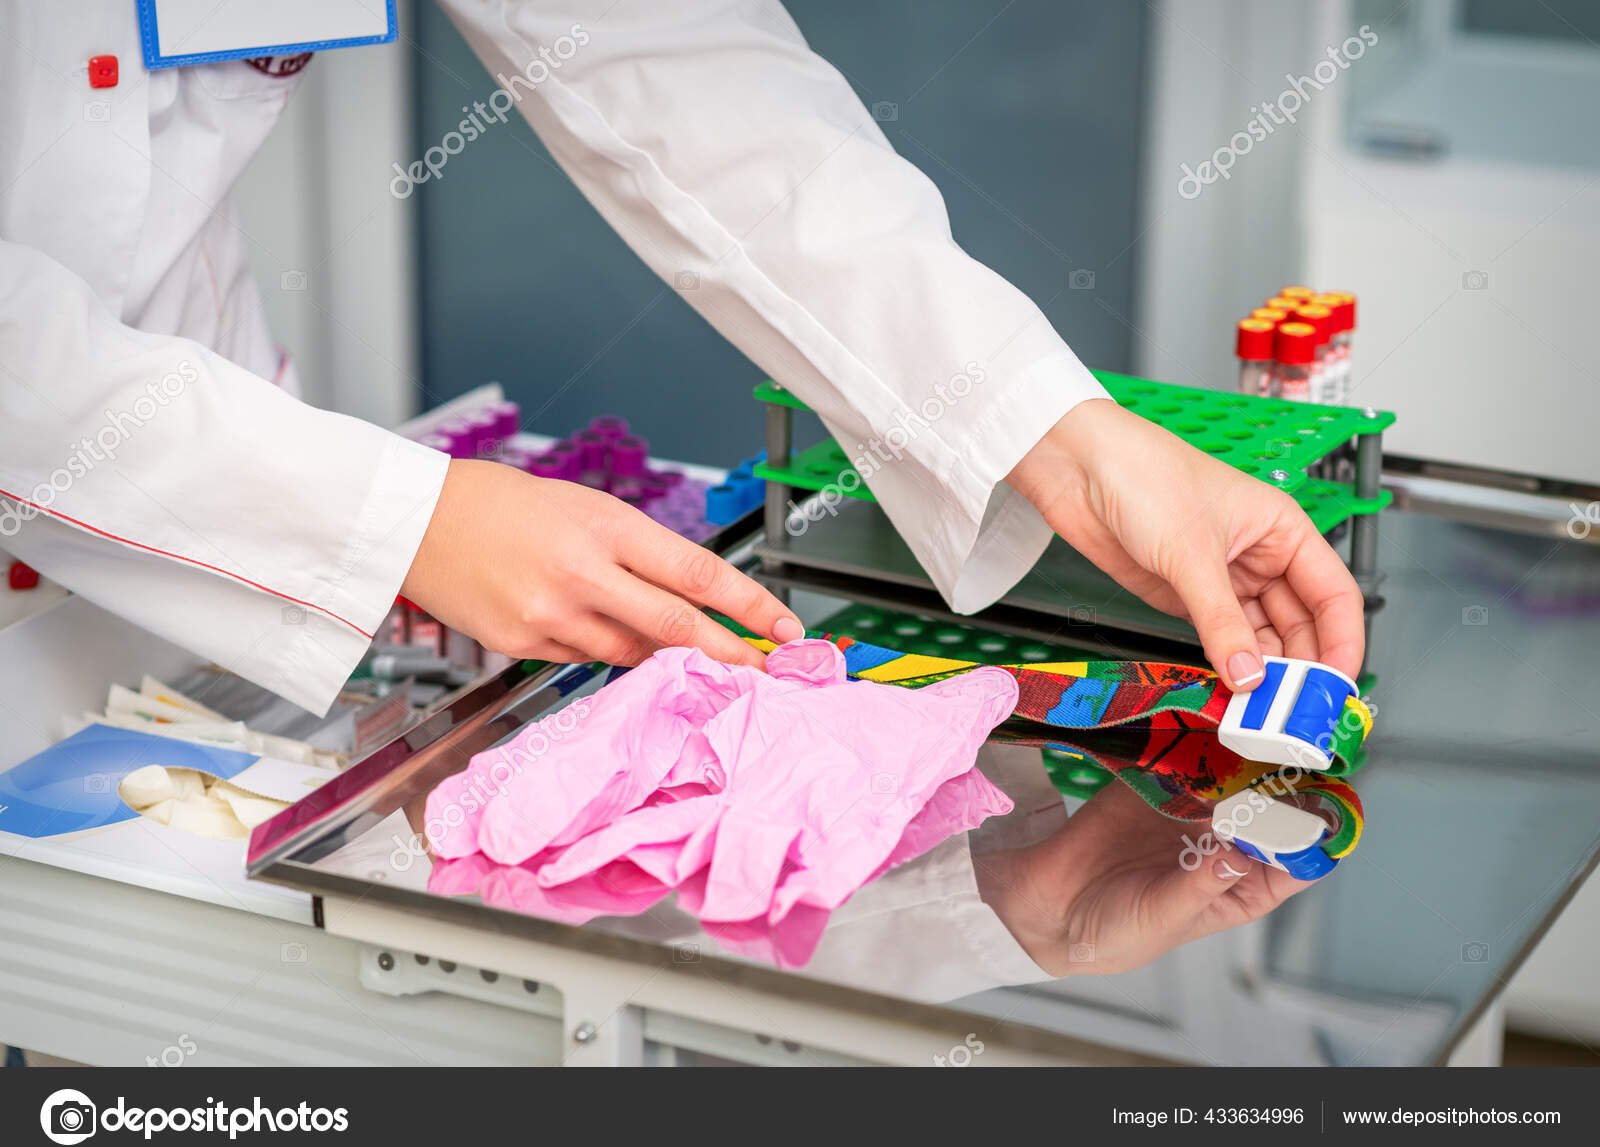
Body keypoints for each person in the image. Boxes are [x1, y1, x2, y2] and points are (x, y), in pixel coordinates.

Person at [2, 3, 1361, 955]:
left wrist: (1055, 430)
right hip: (200, 519)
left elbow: (661, 51)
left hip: (196, 584)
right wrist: (401, 519)